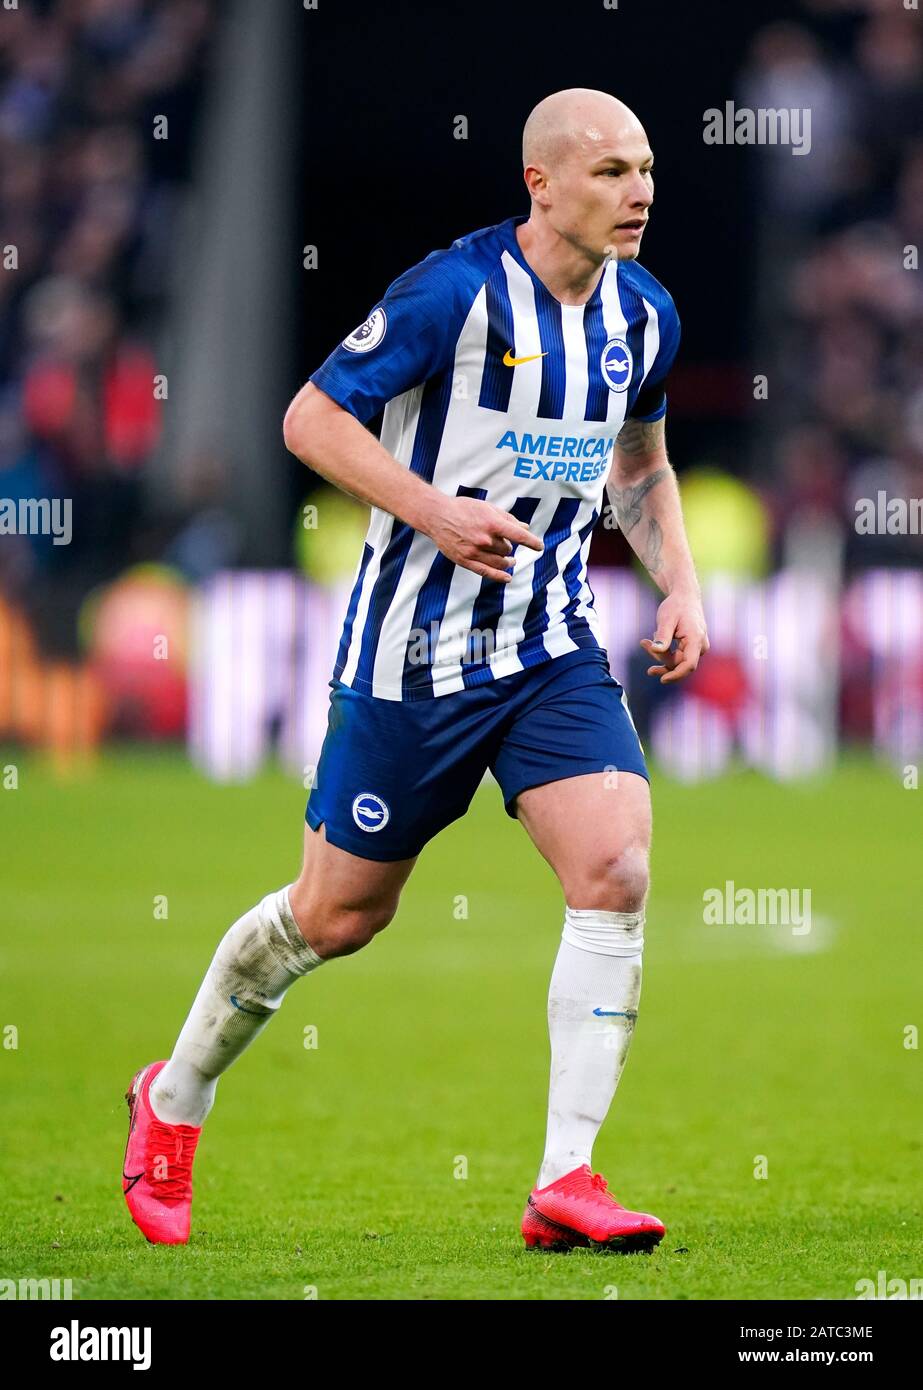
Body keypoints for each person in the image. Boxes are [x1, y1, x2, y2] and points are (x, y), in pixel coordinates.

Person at [122, 87, 709, 1252]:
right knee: (336, 917)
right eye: (607, 171)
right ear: (539, 183)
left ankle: (564, 1179)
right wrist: (432, 510)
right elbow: (309, 419)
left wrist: (680, 577)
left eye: (644, 168)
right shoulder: (451, 291)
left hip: (549, 648)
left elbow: (637, 460)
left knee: (616, 865)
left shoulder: (644, 315)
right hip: (410, 658)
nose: (636, 191)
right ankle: (174, 1096)